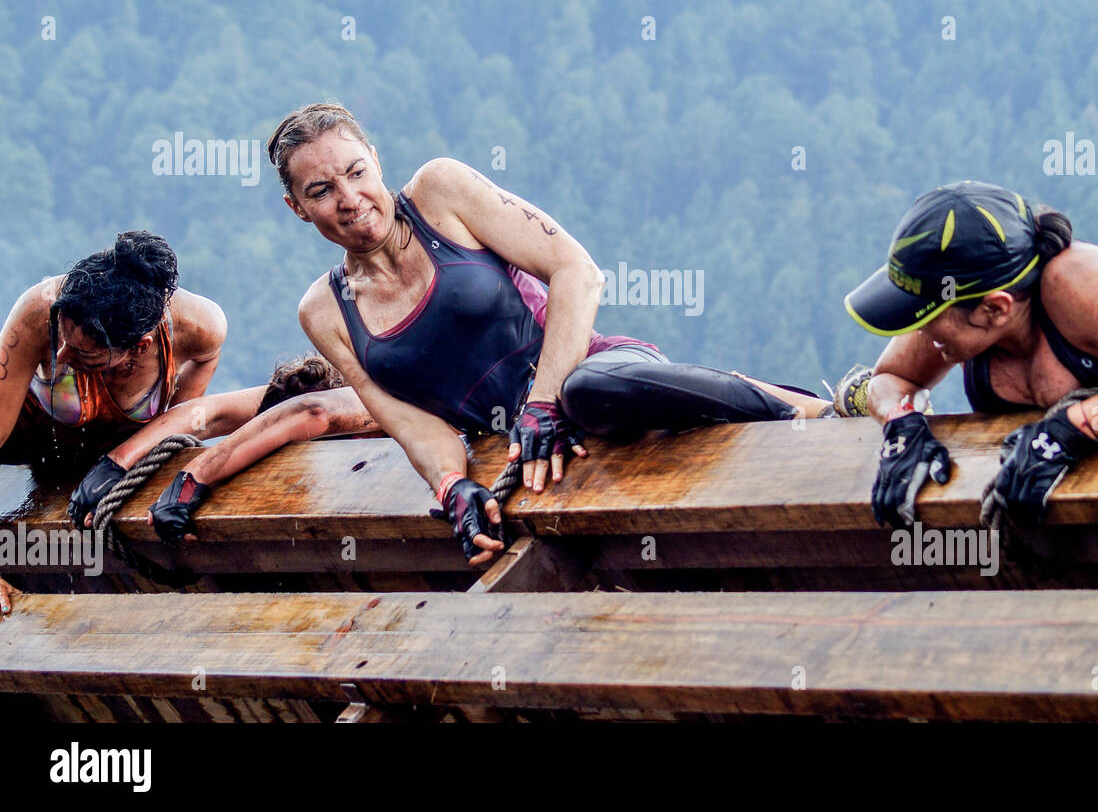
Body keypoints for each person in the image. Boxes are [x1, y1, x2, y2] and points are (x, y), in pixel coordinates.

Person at [271, 103, 829, 567]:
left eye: (357, 171)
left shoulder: (440, 192)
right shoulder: (324, 311)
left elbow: (576, 272)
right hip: (522, 442)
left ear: (377, 160)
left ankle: (807, 413)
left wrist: (543, 402)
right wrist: (451, 488)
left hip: (599, 372)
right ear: (297, 207)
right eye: (321, 190)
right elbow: (410, 422)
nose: (349, 198)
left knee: (585, 392)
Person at [836, 180, 1098, 528]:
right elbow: (889, 381)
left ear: (995, 308)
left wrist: (1072, 427)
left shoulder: (1077, 284)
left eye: (925, 318)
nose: (917, 331)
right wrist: (901, 421)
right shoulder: (953, 309)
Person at [0, 230, 227, 613]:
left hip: (101, 465)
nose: (62, 354)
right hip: (21, 439)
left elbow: (175, 428)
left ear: (139, 346)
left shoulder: (199, 328)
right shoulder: (39, 312)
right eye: (62, 339)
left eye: (84, 353)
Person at [66, 353, 379, 543]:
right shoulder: (296, 395)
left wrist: (192, 480)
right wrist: (116, 464)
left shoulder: (376, 399)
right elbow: (208, 414)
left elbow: (312, 412)